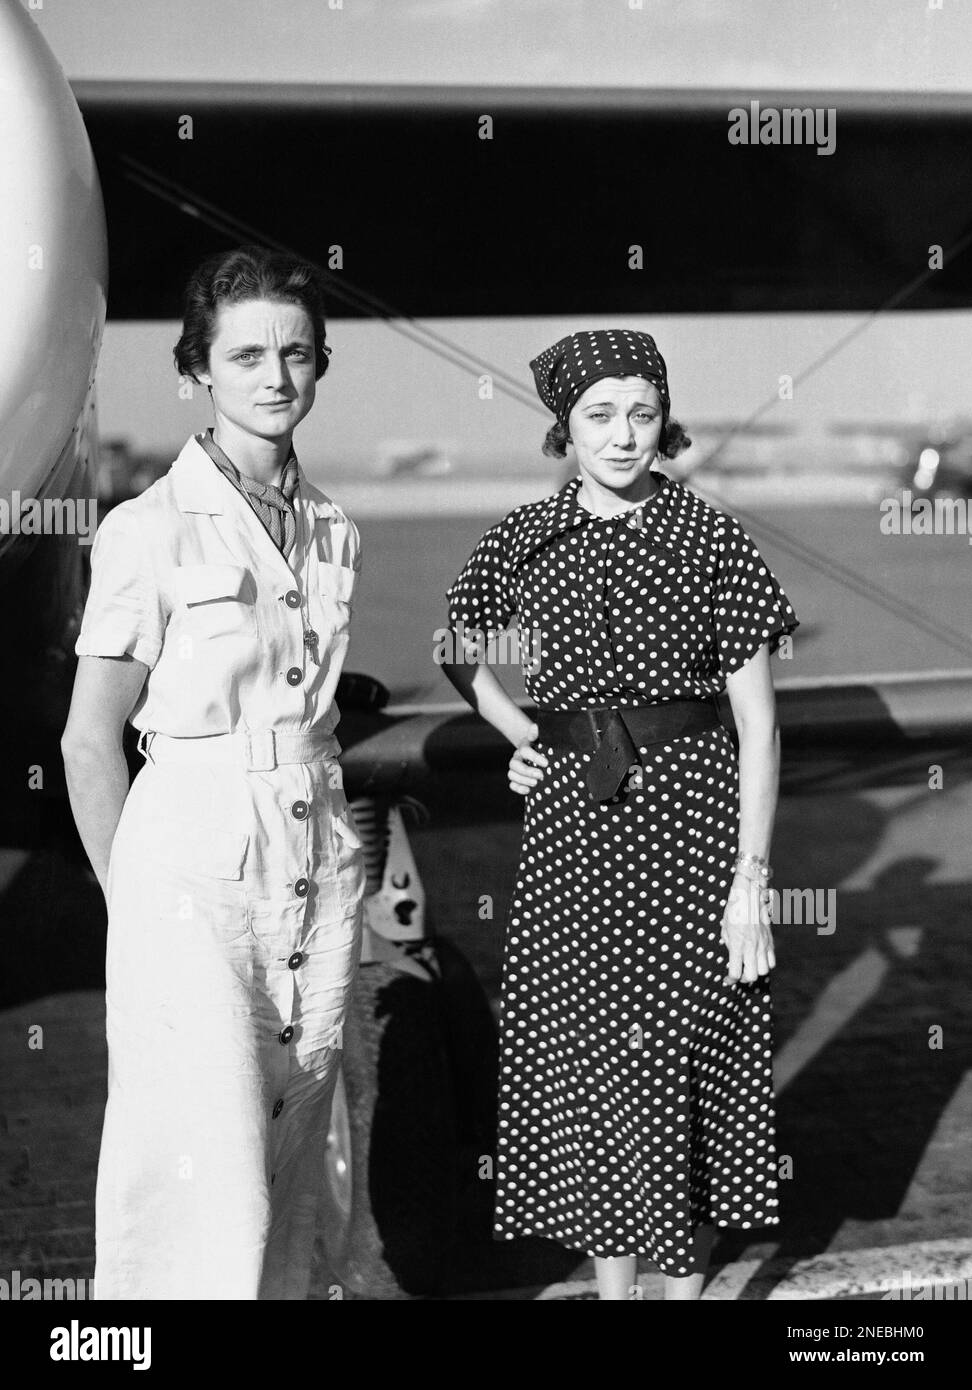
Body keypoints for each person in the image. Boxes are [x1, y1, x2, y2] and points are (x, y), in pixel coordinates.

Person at [441, 329, 799, 1301]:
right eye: (599, 414)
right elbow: (456, 643)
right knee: (592, 1057)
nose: (622, 434)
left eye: (641, 413)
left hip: (690, 820)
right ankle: (612, 1293)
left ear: (663, 421)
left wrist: (750, 881)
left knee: (681, 1052)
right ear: (563, 425)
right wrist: (524, 734)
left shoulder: (708, 536)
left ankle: (676, 1292)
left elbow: (758, 727)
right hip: (570, 832)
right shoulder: (524, 533)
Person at [60, 246, 366, 1300]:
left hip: (316, 861)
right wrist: (138, 912)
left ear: (318, 364)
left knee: (294, 1153)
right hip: (189, 863)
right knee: (201, 1168)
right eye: (245, 355)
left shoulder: (334, 529)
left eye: (294, 352)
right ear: (198, 369)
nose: (274, 376)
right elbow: (87, 742)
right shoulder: (144, 531)